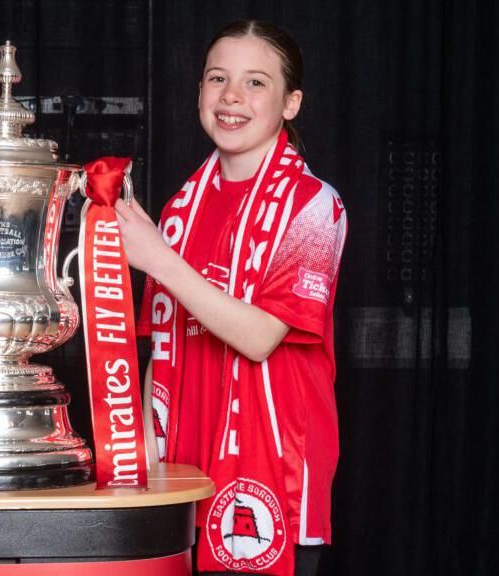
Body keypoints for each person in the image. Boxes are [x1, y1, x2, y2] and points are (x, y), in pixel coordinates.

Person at [116, 20, 347, 576]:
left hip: (273, 474)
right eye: (217, 78)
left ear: (291, 103)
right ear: (199, 92)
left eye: (256, 83)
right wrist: (142, 459)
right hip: (183, 473)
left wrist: (157, 259)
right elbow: (162, 348)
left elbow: (260, 337)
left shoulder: (315, 206)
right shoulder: (179, 210)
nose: (232, 97)